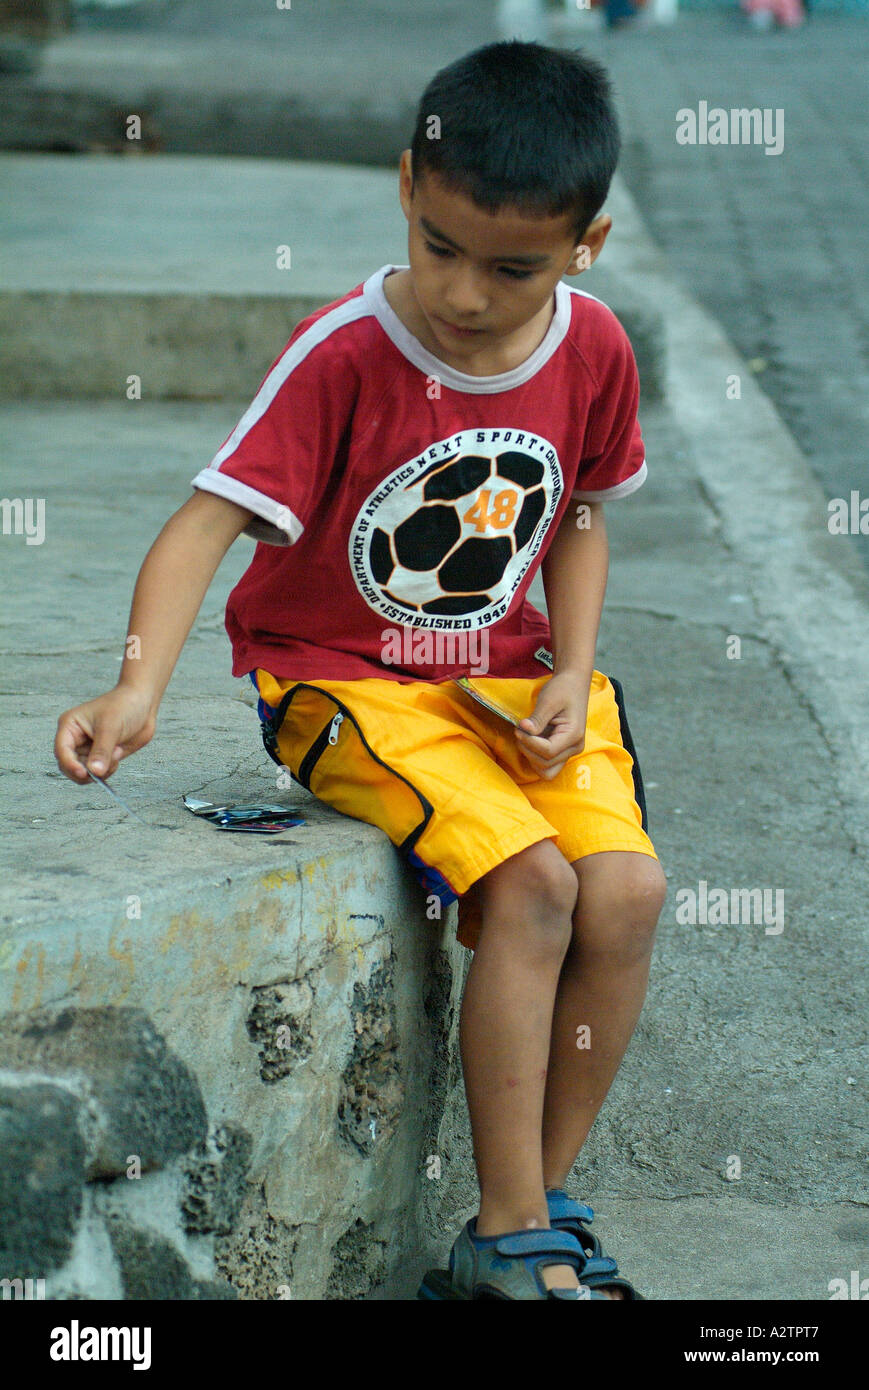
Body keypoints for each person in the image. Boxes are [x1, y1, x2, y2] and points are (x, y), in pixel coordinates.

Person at [54, 39, 668, 1301]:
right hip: (342, 682)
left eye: (513, 269)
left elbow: (589, 512)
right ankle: (506, 1234)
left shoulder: (594, 347)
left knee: (625, 894)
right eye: (441, 248)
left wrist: (576, 667)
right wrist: (136, 688)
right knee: (535, 888)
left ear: (583, 245)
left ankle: (533, 1209)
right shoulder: (343, 349)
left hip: (510, 690)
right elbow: (204, 521)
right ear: (405, 189)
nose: (464, 295)